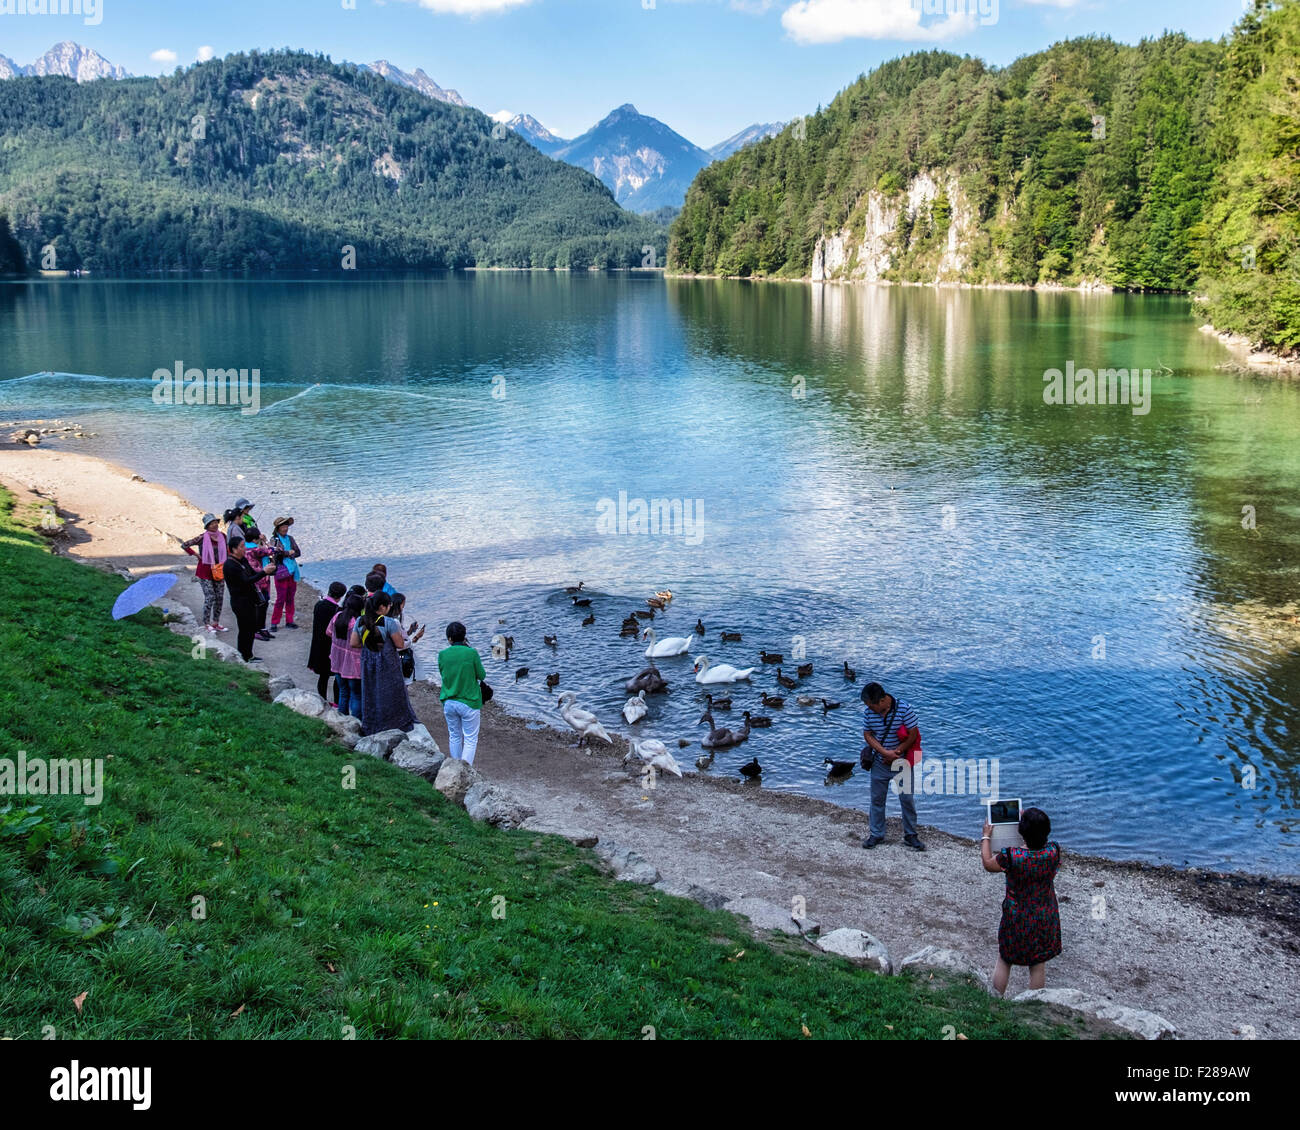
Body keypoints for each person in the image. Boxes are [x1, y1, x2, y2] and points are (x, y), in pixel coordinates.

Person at [982, 807, 1062, 995]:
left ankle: (995, 1001)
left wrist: (986, 836)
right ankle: (1033, 1004)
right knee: (1037, 963)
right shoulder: (1054, 851)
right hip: (1044, 915)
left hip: (1016, 917)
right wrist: (1031, 823)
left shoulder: (1011, 856)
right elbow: (1039, 846)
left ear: (1022, 833)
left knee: (1005, 959)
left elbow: (987, 863)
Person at [859, 681, 925, 851]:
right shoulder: (869, 713)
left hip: (902, 762)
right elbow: (867, 735)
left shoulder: (904, 709)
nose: (868, 708)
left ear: (881, 701)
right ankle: (876, 834)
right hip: (880, 763)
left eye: (870, 705)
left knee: (907, 799)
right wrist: (884, 753)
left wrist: (897, 752)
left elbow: (913, 734)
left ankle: (910, 835)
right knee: (877, 799)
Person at [351, 592, 417, 735]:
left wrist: (369, 645)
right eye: (388, 605)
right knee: (392, 692)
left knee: (371, 691)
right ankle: (395, 723)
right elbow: (399, 644)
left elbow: (354, 643)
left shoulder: (360, 621)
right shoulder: (389, 623)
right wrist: (411, 640)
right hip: (387, 662)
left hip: (368, 662)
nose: (389, 608)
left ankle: (372, 723)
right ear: (382, 607)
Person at [438, 621, 486, 766]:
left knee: (455, 736)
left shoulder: (442, 655)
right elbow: (482, 675)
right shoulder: (471, 653)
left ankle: (455, 768)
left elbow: (443, 673)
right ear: (464, 636)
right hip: (469, 701)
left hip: (449, 700)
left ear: (449, 639)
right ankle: (464, 772)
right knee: (470, 739)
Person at [223, 534, 276, 661]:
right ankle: (244, 655)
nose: (244, 549)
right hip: (240, 602)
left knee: (251, 628)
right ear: (234, 549)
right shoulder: (230, 565)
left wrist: (268, 570)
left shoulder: (242, 560)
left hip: (249, 600)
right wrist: (264, 572)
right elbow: (246, 581)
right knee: (245, 630)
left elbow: (252, 574)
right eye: (242, 547)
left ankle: (248, 654)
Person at [180, 513, 229, 634]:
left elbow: (227, 551)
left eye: (215, 522)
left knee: (219, 598)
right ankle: (206, 623)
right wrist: (195, 554)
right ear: (207, 526)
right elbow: (184, 545)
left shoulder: (223, 536)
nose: (215, 525)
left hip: (219, 570)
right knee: (210, 597)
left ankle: (216, 622)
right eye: (211, 523)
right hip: (205, 571)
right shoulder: (202, 538)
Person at [330, 591, 365, 718]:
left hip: (337, 660)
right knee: (356, 695)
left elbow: (328, 632)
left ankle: (342, 719)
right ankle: (356, 722)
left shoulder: (337, 616)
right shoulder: (357, 622)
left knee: (343, 692)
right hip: (353, 665)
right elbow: (360, 642)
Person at [309, 581, 346, 702]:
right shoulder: (336, 610)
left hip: (319, 643)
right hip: (330, 645)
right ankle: (336, 702)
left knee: (323, 676)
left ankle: (322, 699)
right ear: (340, 596)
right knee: (336, 675)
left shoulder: (319, 605)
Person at [268, 516, 302, 630]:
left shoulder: (290, 538)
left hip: (292, 570)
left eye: (286, 525)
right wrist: (289, 552)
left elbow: (298, 552)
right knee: (280, 598)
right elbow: (275, 553)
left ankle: (289, 620)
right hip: (281, 572)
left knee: (290, 597)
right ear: (278, 528)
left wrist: (287, 553)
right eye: (283, 526)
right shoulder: (274, 540)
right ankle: (274, 622)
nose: (285, 528)